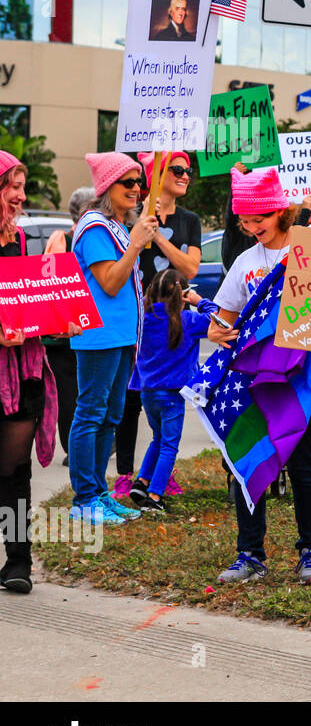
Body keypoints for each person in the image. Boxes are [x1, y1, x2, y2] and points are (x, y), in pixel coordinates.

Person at [208, 167, 311, 584]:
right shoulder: (244, 262)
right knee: (248, 462)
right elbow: (221, 319)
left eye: (259, 218)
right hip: (255, 382)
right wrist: (219, 330)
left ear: (281, 212)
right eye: (244, 220)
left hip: (301, 382)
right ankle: (249, 554)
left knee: (303, 465)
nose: (250, 227)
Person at [68, 153, 159, 526]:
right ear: (107, 187)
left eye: (140, 183)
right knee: (91, 413)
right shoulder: (93, 227)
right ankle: (84, 497)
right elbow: (109, 282)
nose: (137, 190)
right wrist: (136, 243)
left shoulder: (115, 225)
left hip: (120, 337)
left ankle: (99, 494)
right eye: (129, 183)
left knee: (110, 415)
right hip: (98, 335)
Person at [113, 151, 202, 500]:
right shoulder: (133, 215)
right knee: (133, 397)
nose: (185, 175)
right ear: (158, 173)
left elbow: (191, 269)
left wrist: (160, 237)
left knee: (165, 395)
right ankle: (125, 475)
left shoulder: (189, 220)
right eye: (177, 169)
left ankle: (160, 474)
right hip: (138, 316)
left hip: (174, 318)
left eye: (187, 171)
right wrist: (141, 230)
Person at [0, 152, 65, 592]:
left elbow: (38, 309)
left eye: (23, 188)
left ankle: (19, 562)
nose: (21, 197)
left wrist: (55, 270)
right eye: (12, 187)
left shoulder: (21, 244)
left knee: (14, 469)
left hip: (20, 373)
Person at [125, 270, 220, 513]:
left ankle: (142, 482)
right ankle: (155, 496)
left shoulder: (143, 318)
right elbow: (217, 317)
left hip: (147, 391)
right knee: (169, 445)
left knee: (158, 438)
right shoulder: (187, 320)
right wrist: (199, 301)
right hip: (172, 395)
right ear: (182, 294)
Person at [42, 186, 95, 460]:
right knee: (70, 394)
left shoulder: (68, 238)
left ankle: (78, 447)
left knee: (75, 393)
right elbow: (55, 285)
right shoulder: (65, 239)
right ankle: (72, 449)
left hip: (77, 329)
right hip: (65, 332)